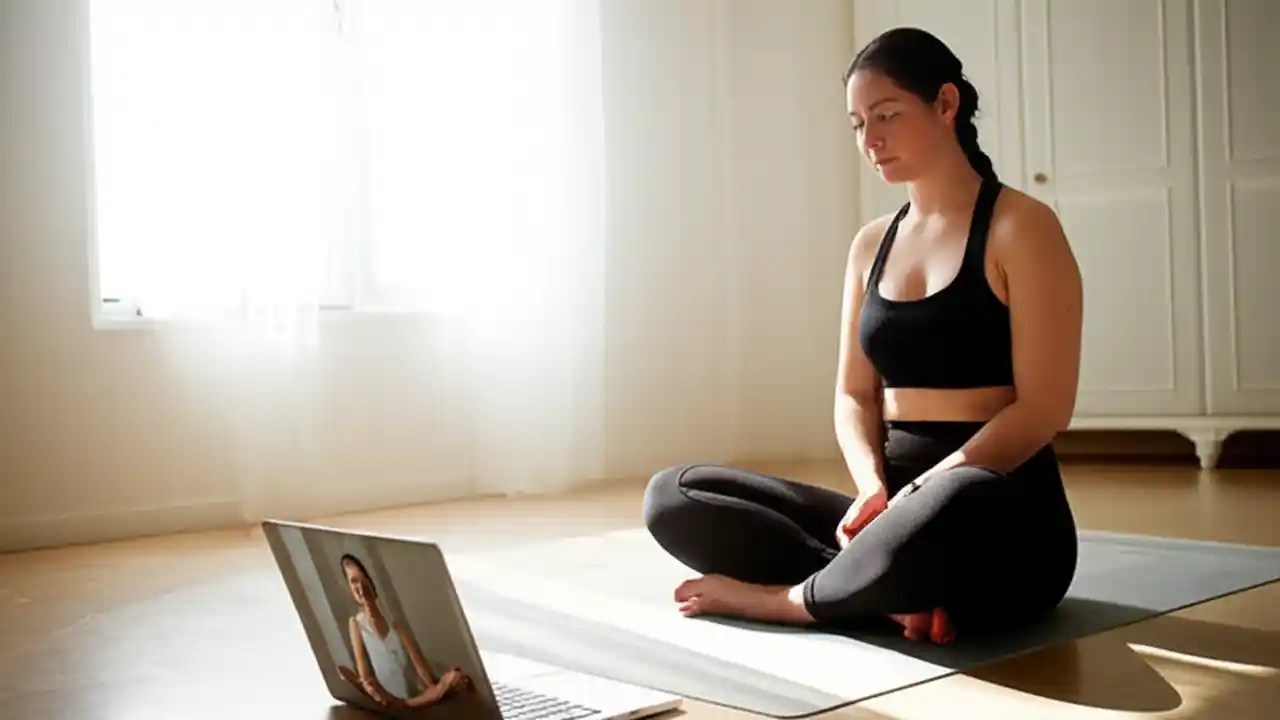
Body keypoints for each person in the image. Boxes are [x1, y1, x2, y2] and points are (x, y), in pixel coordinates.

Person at [642, 26, 1083, 645]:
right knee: (675, 496)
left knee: (956, 502)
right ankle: (882, 593)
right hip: (894, 512)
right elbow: (854, 393)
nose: (869, 139)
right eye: (856, 124)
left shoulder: (1021, 227)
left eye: (887, 115)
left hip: (990, 509)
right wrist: (876, 487)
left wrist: (923, 493)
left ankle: (793, 600)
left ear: (946, 105)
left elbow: (1044, 409)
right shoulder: (871, 244)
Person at [335, 554, 474, 710]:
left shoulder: (395, 622)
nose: (360, 587)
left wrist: (433, 686)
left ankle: (433, 694)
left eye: (363, 580)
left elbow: (420, 668)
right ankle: (432, 694)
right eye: (353, 581)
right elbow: (366, 676)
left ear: (371, 582)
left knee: (452, 681)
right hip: (387, 701)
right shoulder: (356, 624)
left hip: (411, 696)